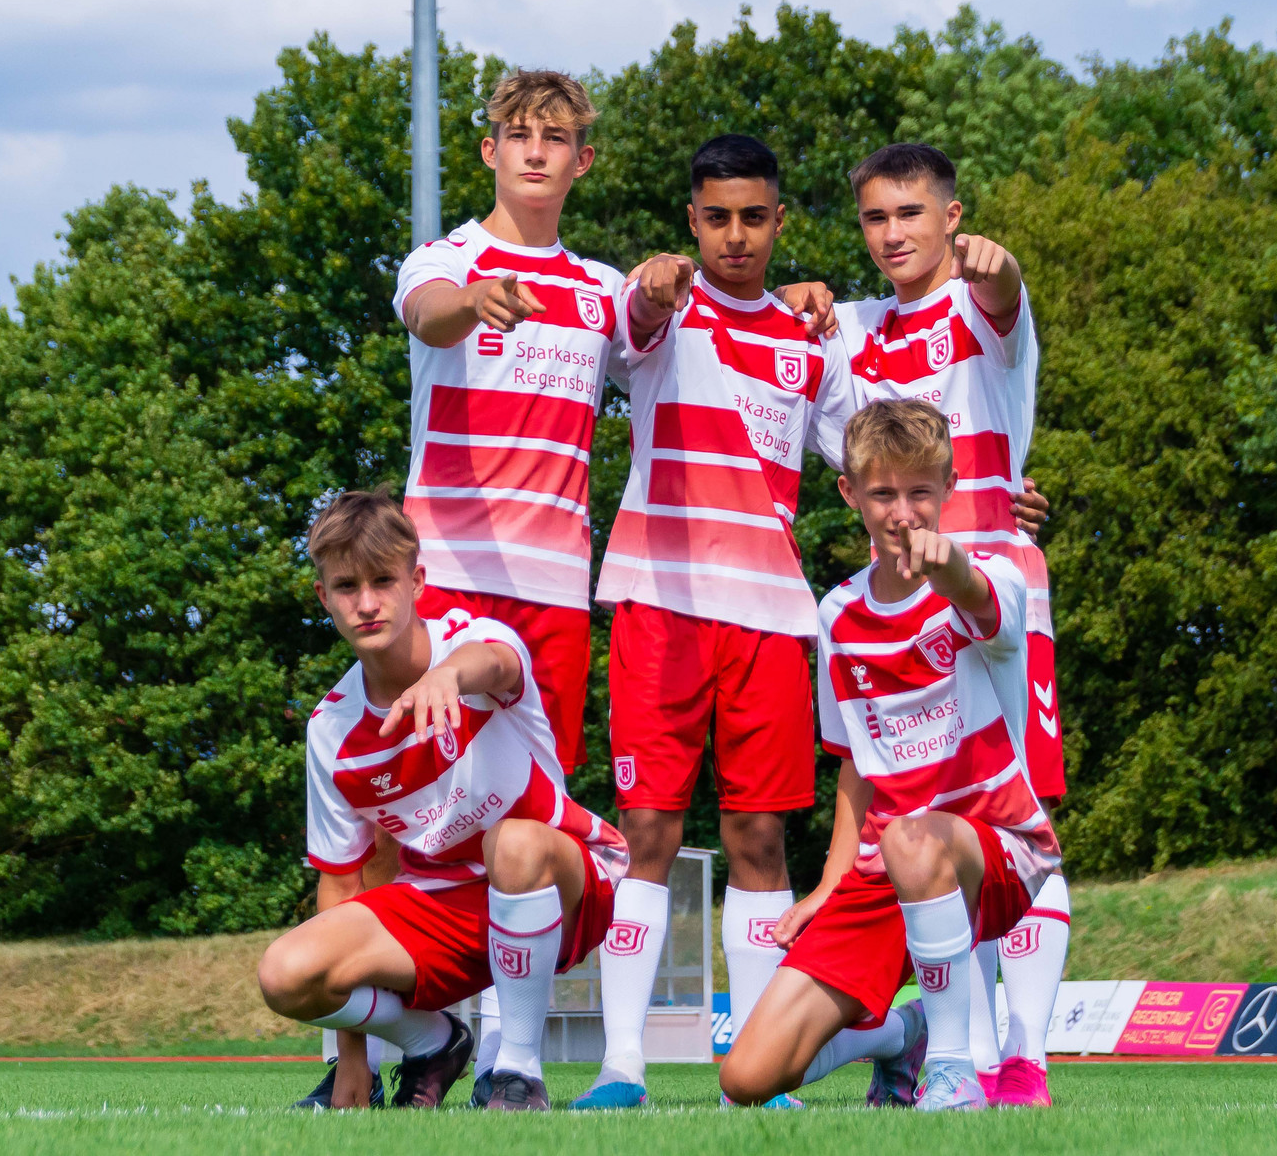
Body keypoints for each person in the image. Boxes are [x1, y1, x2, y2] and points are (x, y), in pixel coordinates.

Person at [392, 75, 832, 1100]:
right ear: (490, 150)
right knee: (412, 809)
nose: (536, 152)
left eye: (557, 138)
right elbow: (429, 314)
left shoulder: (601, 288)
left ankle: (516, 1057)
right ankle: (387, 1050)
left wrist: (801, 297)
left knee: (530, 817)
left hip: (557, 582)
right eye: (518, 135)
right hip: (448, 576)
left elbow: (648, 321)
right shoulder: (448, 257)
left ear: (582, 159)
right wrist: (477, 303)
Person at [575, 134, 848, 1110]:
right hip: (660, 602)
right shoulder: (659, 308)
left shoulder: (814, 338)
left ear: (779, 221)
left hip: (771, 616)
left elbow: (866, 456)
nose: (735, 235)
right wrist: (650, 288)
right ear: (693, 219)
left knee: (762, 843)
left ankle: (764, 1074)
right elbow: (630, 322)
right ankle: (621, 1067)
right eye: (716, 216)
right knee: (644, 826)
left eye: (754, 216)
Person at [719, 399, 1060, 1112]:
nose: (902, 511)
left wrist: (949, 567)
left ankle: (953, 1068)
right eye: (882, 492)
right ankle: (899, 1038)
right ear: (849, 493)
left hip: (995, 845)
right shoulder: (837, 615)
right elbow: (857, 767)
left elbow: (975, 591)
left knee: (914, 838)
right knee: (746, 1078)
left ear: (949, 488)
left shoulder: (990, 578)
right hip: (889, 860)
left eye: (919, 491)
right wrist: (828, 887)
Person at [829, 142, 1071, 1106]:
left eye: (911, 214)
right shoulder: (852, 329)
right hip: (901, 604)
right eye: (876, 218)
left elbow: (1009, 299)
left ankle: (1028, 1059)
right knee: (940, 821)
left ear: (952, 215)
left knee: (1029, 821)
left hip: (996, 590)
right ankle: (959, 1054)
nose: (894, 233)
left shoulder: (980, 298)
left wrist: (999, 264)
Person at [256, 491, 629, 1112]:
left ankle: (518, 1071)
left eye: (383, 580)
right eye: (346, 586)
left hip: (563, 882)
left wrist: (448, 676)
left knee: (512, 840)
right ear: (323, 598)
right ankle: (433, 1042)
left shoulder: (468, 640)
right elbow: (341, 886)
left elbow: (498, 663)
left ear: (417, 581)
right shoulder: (331, 731)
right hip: (442, 910)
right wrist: (353, 1063)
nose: (367, 603)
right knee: (285, 973)